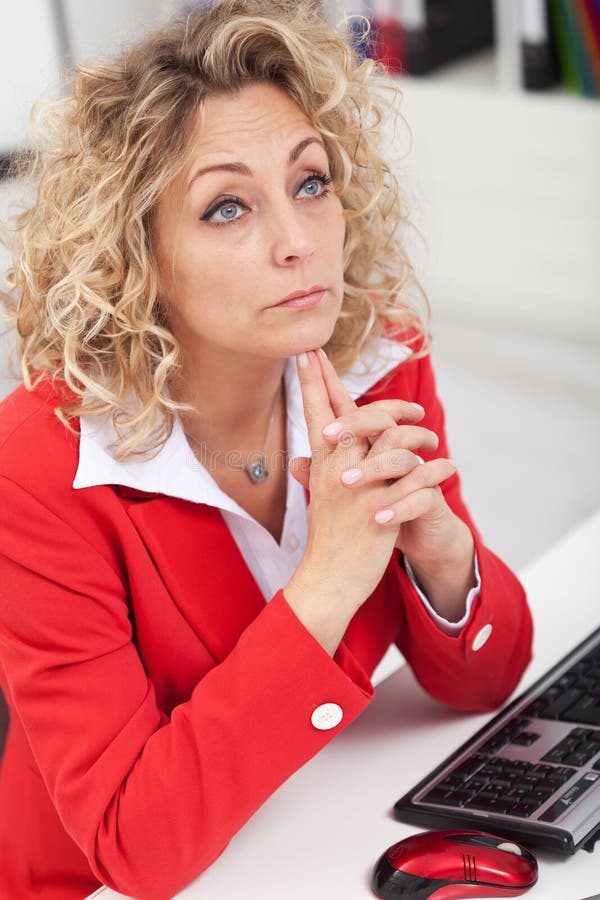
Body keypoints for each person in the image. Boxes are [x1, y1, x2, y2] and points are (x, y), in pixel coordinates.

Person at [0, 1, 533, 897]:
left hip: (314, 833)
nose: (299, 243)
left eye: (311, 183)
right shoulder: (39, 463)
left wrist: (445, 558)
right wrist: (324, 585)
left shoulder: (375, 357)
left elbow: (485, 680)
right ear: (138, 256)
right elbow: (135, 848)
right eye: (227, 207)